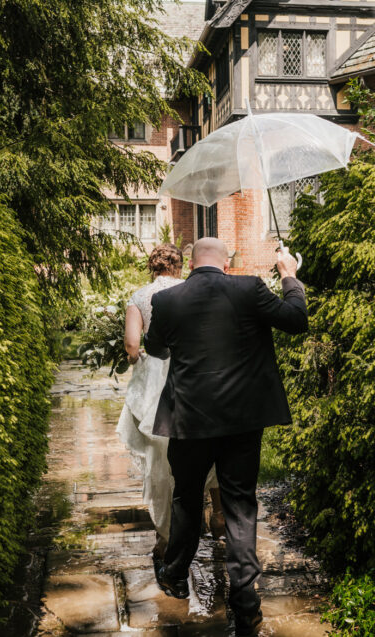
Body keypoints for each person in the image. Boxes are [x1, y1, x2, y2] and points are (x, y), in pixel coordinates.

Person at [144, 237, 307, 636]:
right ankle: (246, 599)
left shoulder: (168, 301)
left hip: (189, 421)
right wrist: (289, 276)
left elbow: (157, 350)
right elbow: (296, 320)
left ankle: (177, 574)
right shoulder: (249, 288)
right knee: (239, 505)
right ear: (226, 260)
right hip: (241, 423)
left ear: (191, 262)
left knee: (186, 496)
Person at [116, 243, 222, 568]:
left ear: (153, 266)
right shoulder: (193, 290)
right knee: (210, 440)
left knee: (162, 457)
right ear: (180, 266)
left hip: (157, 383)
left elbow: (133, 345)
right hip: (196, 375)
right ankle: (218, 513)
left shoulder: (140, 296)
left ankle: (166, 536)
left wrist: (136, 357)